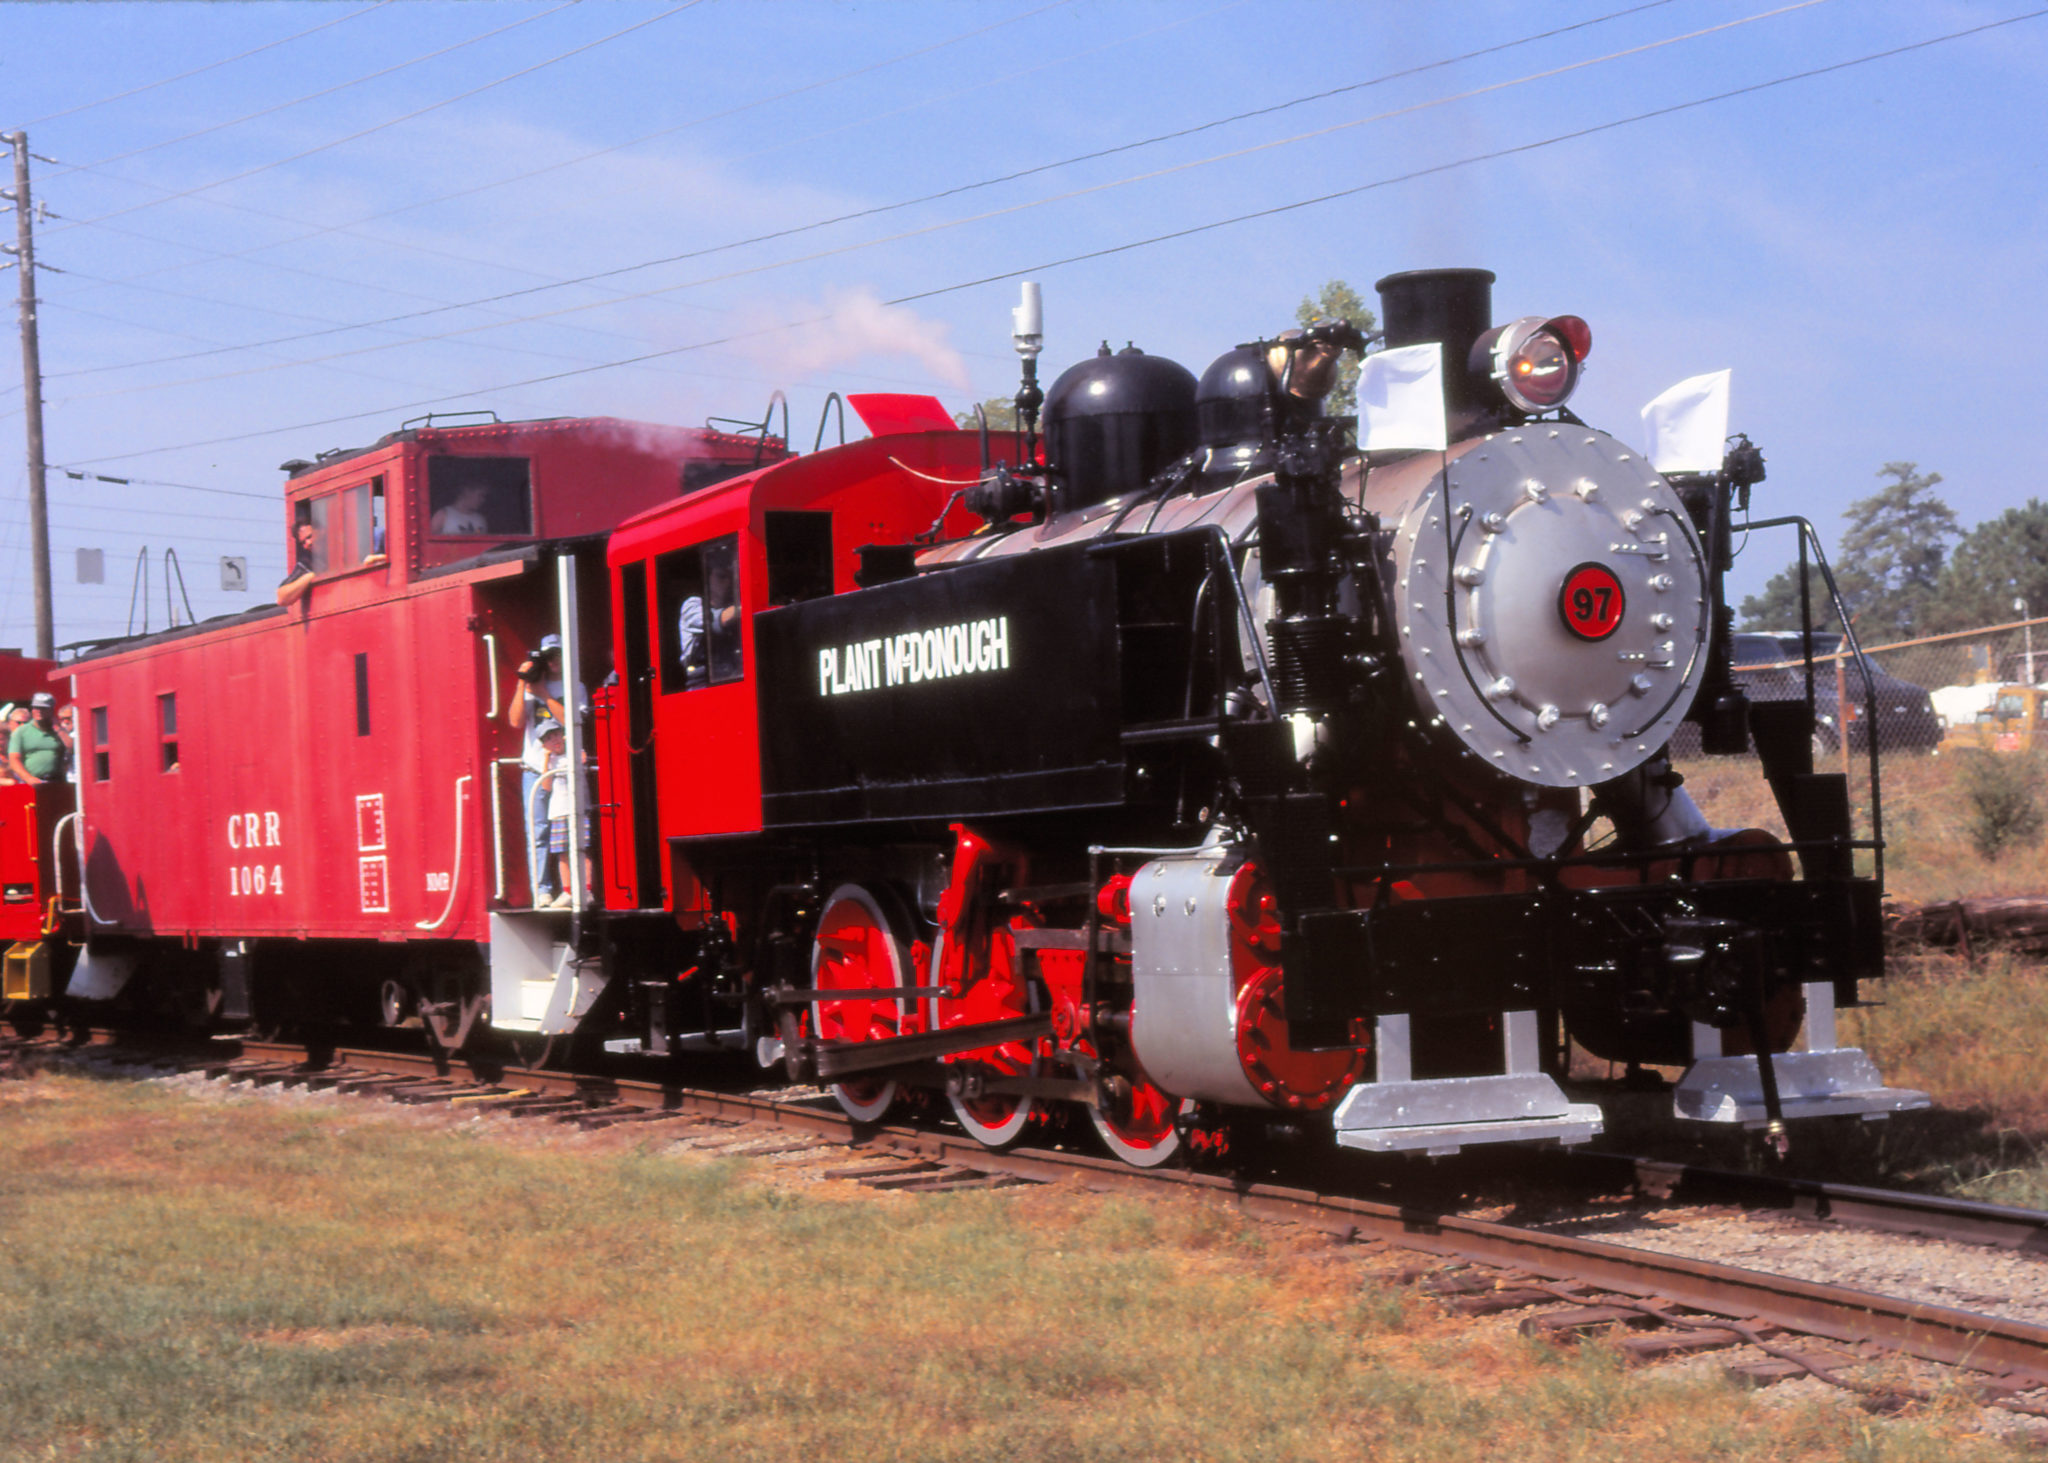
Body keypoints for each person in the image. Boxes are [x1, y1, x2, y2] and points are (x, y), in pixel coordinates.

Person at [506, 633, 588, 905]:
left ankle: (575, 889)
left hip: (564, 770)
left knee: (571, 829)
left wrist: (545, 695)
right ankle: (542, 890)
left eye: (557, 655)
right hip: (535, 768)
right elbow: (515, 721)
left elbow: (572, 722)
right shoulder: (530, 687)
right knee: (538, 831)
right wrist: (523, 683)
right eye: (548, 656)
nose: (553, 661)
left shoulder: (575, 686)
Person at [535, 720, 590, 909]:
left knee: (582, 850)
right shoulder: (549, 762)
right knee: (563, 853)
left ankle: (586, 889)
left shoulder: (575, 752)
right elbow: (546, 786)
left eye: (557, 734)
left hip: (578, 809)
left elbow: (583, 760)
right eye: (549, 738)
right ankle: (567, 891)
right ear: (544, 745)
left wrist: (571, 743)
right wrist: (546, 759)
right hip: (559, 811)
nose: (555, 740)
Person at [678, 555, 739, 689]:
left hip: (730, 679)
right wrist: (744, 607)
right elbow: (715, 621)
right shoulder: (692, 605)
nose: (727, 583)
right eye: (721, 576)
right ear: (708, 579)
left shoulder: (732, 609)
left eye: (730, 578)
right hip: (701, 684)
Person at [8, 693, 64, 785]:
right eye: (36, 707)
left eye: (43, 708)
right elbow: (14, 760)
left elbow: (72, 748)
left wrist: (58, 728)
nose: (39, 711)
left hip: (57, 782)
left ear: (51, 710)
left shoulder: (58, 731)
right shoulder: (21, 732)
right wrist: (29, 778)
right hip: (32, 783)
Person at [277, 520, 318, 606]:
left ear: (322, 531)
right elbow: (281, 597)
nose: (308, 543)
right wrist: (312, 575)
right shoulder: (308, 563)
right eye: (303, 542)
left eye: (310, 536)